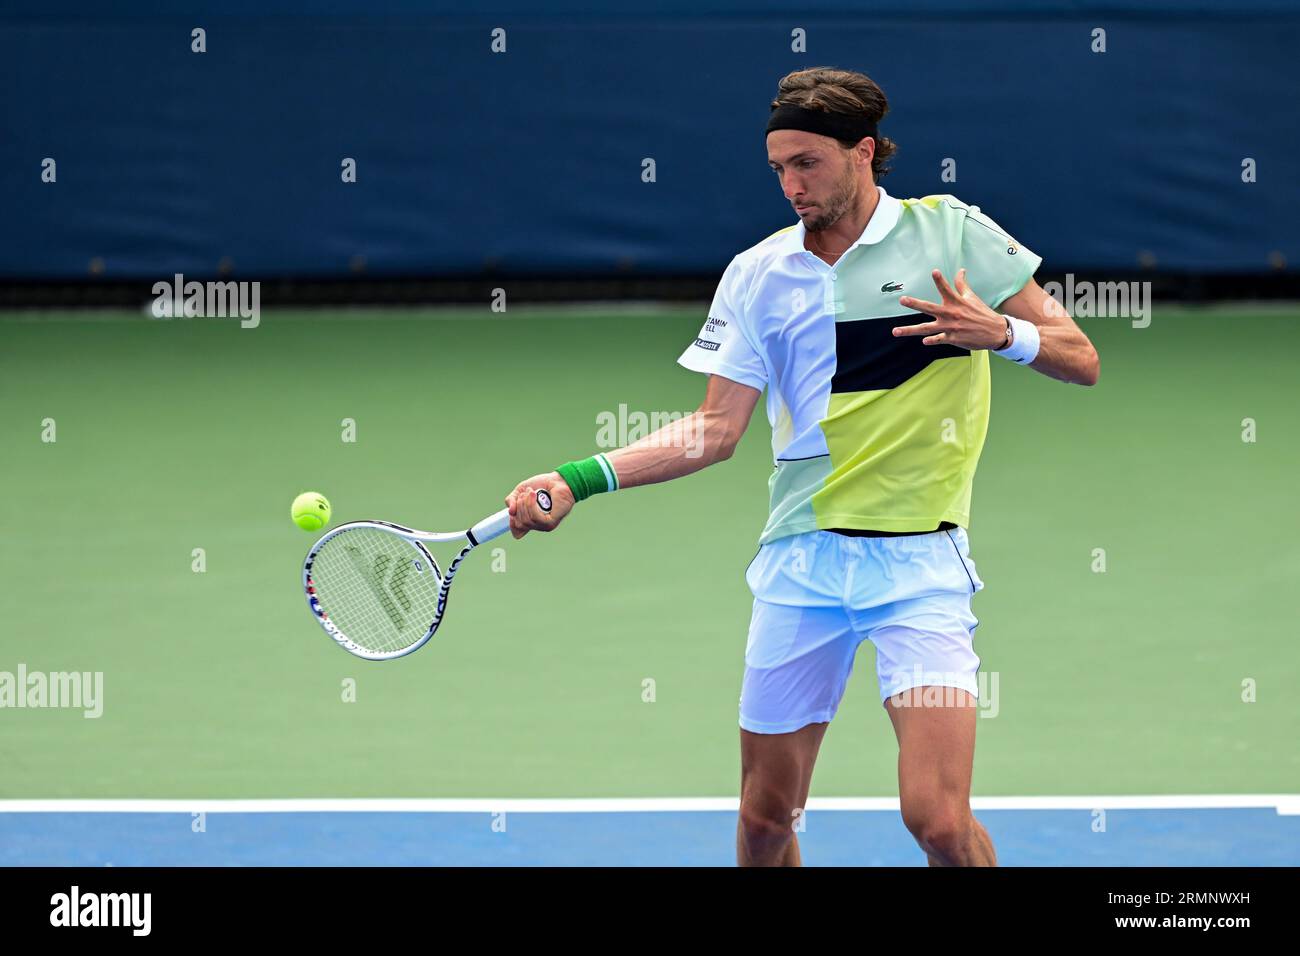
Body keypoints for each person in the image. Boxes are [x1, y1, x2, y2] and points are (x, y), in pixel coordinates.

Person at [503, 66, 1099, 866]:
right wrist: (577, 477)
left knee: (939, 821)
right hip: (801, 565)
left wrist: (1002, 335)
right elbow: (715, 429)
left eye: (806, 164)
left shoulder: (952, 233)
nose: (789, 184)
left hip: (919, 566)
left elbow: (1080, 355)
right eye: (778, 167)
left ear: (863, 153)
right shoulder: (759, 273)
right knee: (764, 819)